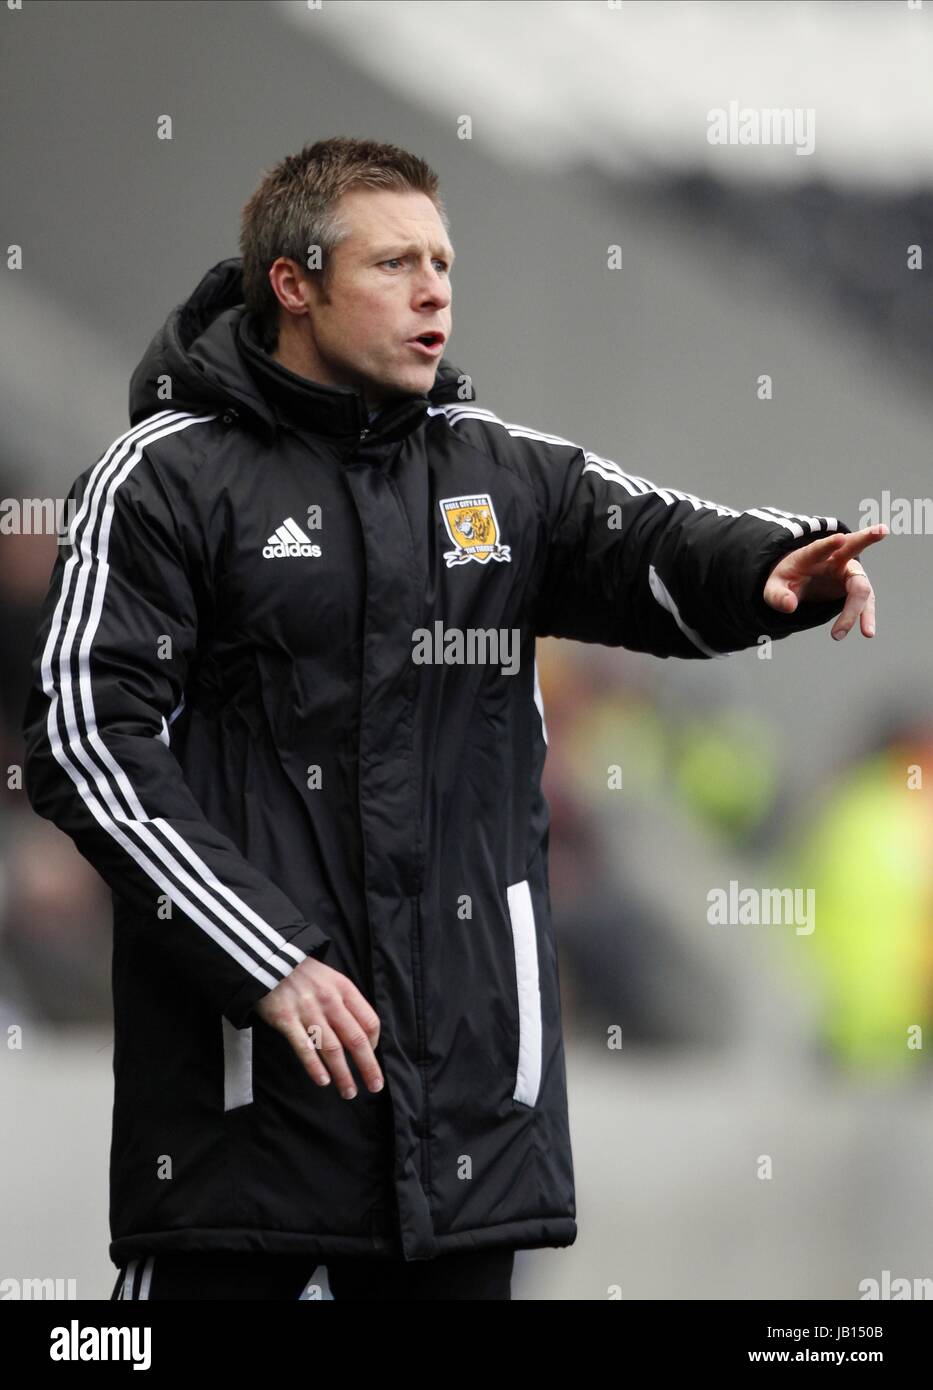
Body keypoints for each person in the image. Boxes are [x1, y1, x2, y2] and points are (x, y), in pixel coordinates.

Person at [20, 136, 884, 1301]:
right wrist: (265, 960)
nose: (434, 291)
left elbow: (657, 537)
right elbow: (85, 739)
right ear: (294, 283)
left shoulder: (498, 471)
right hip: (242, 1118)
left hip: (466, 1127)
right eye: (394, 264)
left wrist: (778, 567)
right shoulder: (165, 479)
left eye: (444, 262)